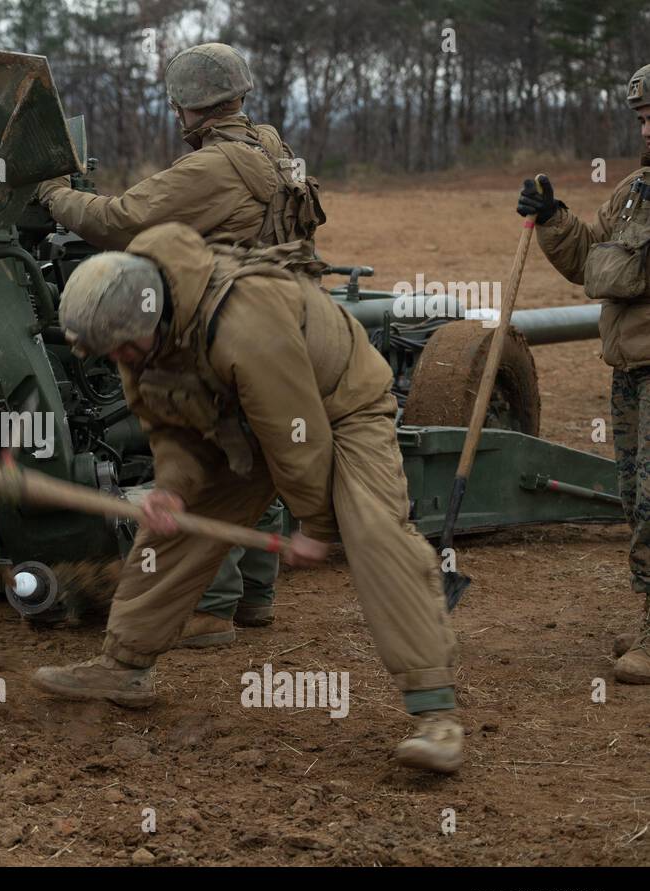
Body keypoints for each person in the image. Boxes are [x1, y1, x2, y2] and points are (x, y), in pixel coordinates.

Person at [31, 223, 463, 773]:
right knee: (172, 528)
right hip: (243, 420)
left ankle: (436, 715)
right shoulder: (135, 337)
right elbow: (171, 430)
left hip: (336, 407)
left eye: (122, 348)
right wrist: (171, 489)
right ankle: (125, 666)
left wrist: (319, 527)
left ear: (153, 318)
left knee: (375, 534)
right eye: (111, 351)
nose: (120, 358)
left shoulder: (244, 320)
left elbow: (296, 433)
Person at [36, 43, 325, 646]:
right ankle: (256, 599)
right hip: (283, 325)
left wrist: (52, 194)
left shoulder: (211, 169)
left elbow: (119, 218)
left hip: (227, 331)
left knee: (213, 460)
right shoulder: (272, 148)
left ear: (186, 106)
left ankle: (211, 610)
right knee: (256, 456)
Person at [518, 63, 650, 684]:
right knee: (635, 494)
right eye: (642, 117)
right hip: (631, 372)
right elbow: (588, 257)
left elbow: (624, 273)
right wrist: (552, 217)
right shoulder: (635, 191)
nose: (646, 128)